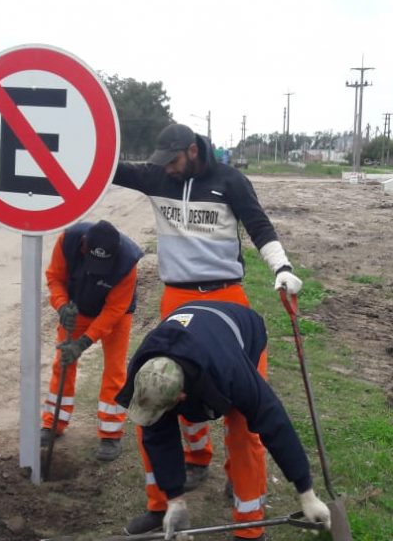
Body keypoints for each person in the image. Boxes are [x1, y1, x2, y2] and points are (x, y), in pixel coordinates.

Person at [113, 122, 304, 491]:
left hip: (226, 296)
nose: (167, 167)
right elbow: (109, 169)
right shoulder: (157, 177)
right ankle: (195, 459)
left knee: (245, 403)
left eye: (173, 160)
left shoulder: (230, 181)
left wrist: (282, 267)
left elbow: (259, 226)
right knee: (173, 386)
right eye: (163, 162)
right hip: (178, 298)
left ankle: (243, 476)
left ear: (193, 151)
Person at [115, 301, 331, 540]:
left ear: (181, 395)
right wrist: (175, 499)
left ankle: (250, 526)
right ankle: (185, 480)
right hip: (194, 329)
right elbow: (157, 435)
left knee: (243, 433)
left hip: (240, 333)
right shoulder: (145, 370)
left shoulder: (231, 370)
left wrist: (306, 492)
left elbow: (274, 421)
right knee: (162, 420)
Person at [40, 220, 143, 461]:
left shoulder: (128, 261)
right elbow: (55, 277)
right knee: (62, 362)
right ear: (85, 247)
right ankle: (54, 422)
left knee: (115, 370)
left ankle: (110, 434)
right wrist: (61, 305)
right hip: (76, 309)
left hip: (116, 316)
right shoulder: (68, 241)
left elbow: (114, 310)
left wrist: (84, 343)